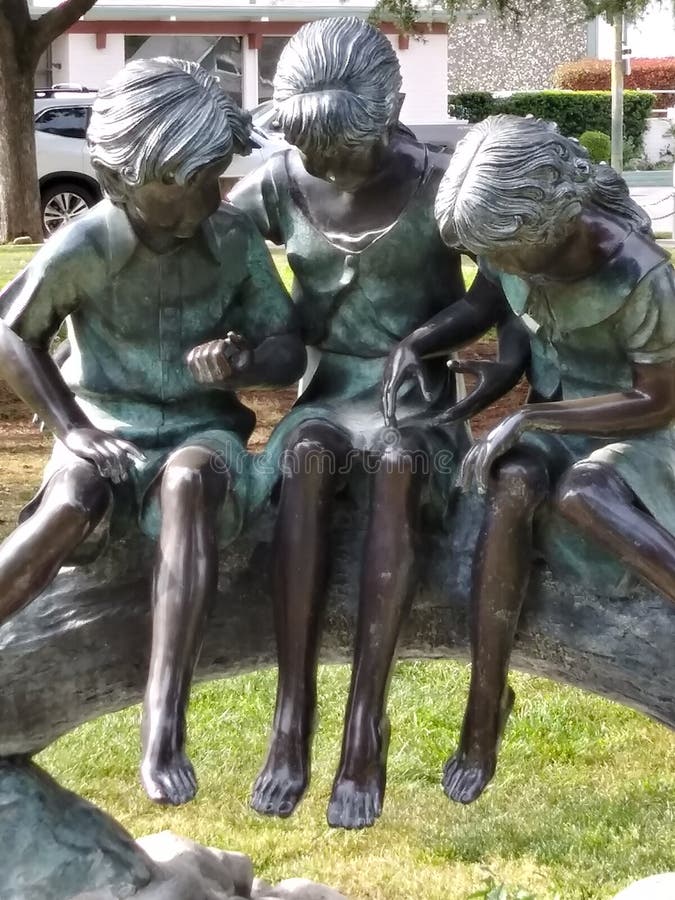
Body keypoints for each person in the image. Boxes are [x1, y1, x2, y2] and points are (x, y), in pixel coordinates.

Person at [230, 17, 528, 829]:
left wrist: (426, 338)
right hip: (327, 394)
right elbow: (219, 258)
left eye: (342, 150)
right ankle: (292, 717)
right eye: (312, 150)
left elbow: (495, 288)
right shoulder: (278, 182)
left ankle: (365, 722)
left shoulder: (440, 179)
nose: (325, 166)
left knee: (397, 466)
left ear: (386, 113)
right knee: (304, 465)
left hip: (416, 401)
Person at [0, 58, 305, 807]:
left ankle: (163, 723)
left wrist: (241, 358)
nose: (213, 190)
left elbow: (288, 346)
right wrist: (69, 430)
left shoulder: (231, 239)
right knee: (73, 500)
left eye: (215, 173)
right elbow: (15, 334)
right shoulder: (89, 243)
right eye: (193, 177)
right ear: (133, 176)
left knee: (190, 485)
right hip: (107, 426)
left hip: (205, 432)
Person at [430, 113, 675, 805]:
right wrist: (423, 349)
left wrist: (532, 414)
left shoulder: (639, 275)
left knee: (582, 494)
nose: (494, 267)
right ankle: (483, 709)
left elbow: (656, 402)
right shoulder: (511, 251)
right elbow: (495, 313)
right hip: (554, 420)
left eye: (501, 254)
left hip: (644, 435)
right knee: (509, 489)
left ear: (548, 223)